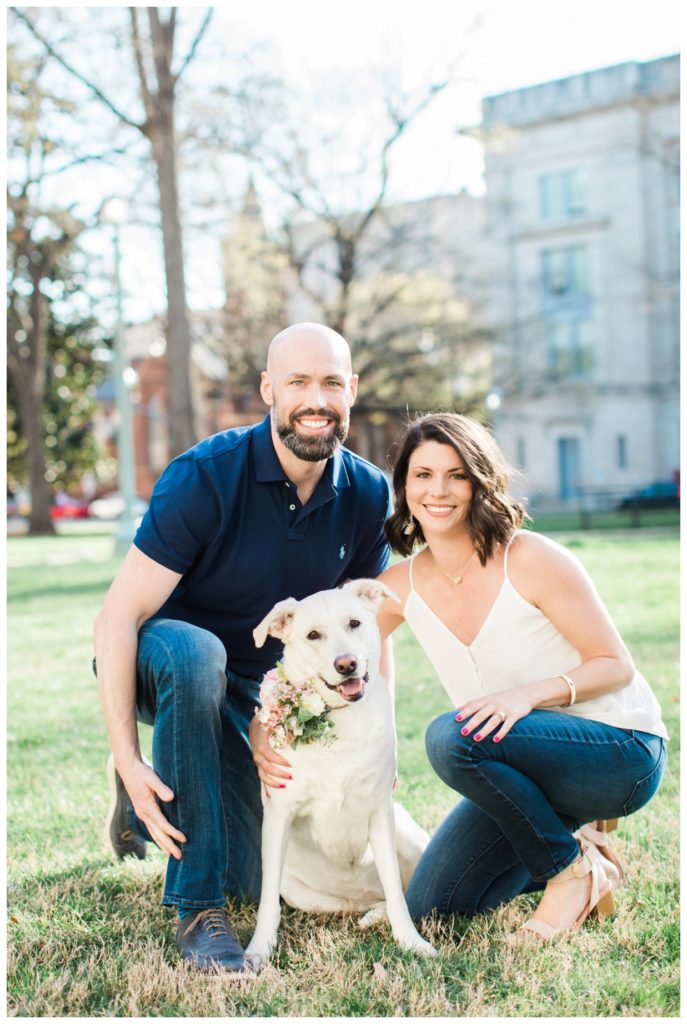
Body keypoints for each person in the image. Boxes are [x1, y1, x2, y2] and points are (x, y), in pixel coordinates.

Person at [94, 323, 392, 973]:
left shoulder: (369, 494)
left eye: (330, 383)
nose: (316, 399)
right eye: (298, 383)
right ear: (267, 390)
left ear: (351, 391)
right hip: (169, 662)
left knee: (264, 871)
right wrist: (128, 753)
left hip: (265, 689)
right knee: (199, 656)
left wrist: (371, 742)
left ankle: (184, 814)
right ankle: (198, 908)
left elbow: (363, 638)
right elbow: (117, 617)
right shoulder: (203, 478)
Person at [374, 412, 667, 942]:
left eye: (456, 474)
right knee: (434, 907)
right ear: (404, 486)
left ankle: (567, 873)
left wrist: (527, 696)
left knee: (450, 736)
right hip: (520, 769)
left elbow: (614, 664)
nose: (438, 490)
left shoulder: (530, 559)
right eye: (422, 475)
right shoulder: (400, 585)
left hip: (618, 751)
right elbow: (348, 648)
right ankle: (587, 854)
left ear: (479, 482)